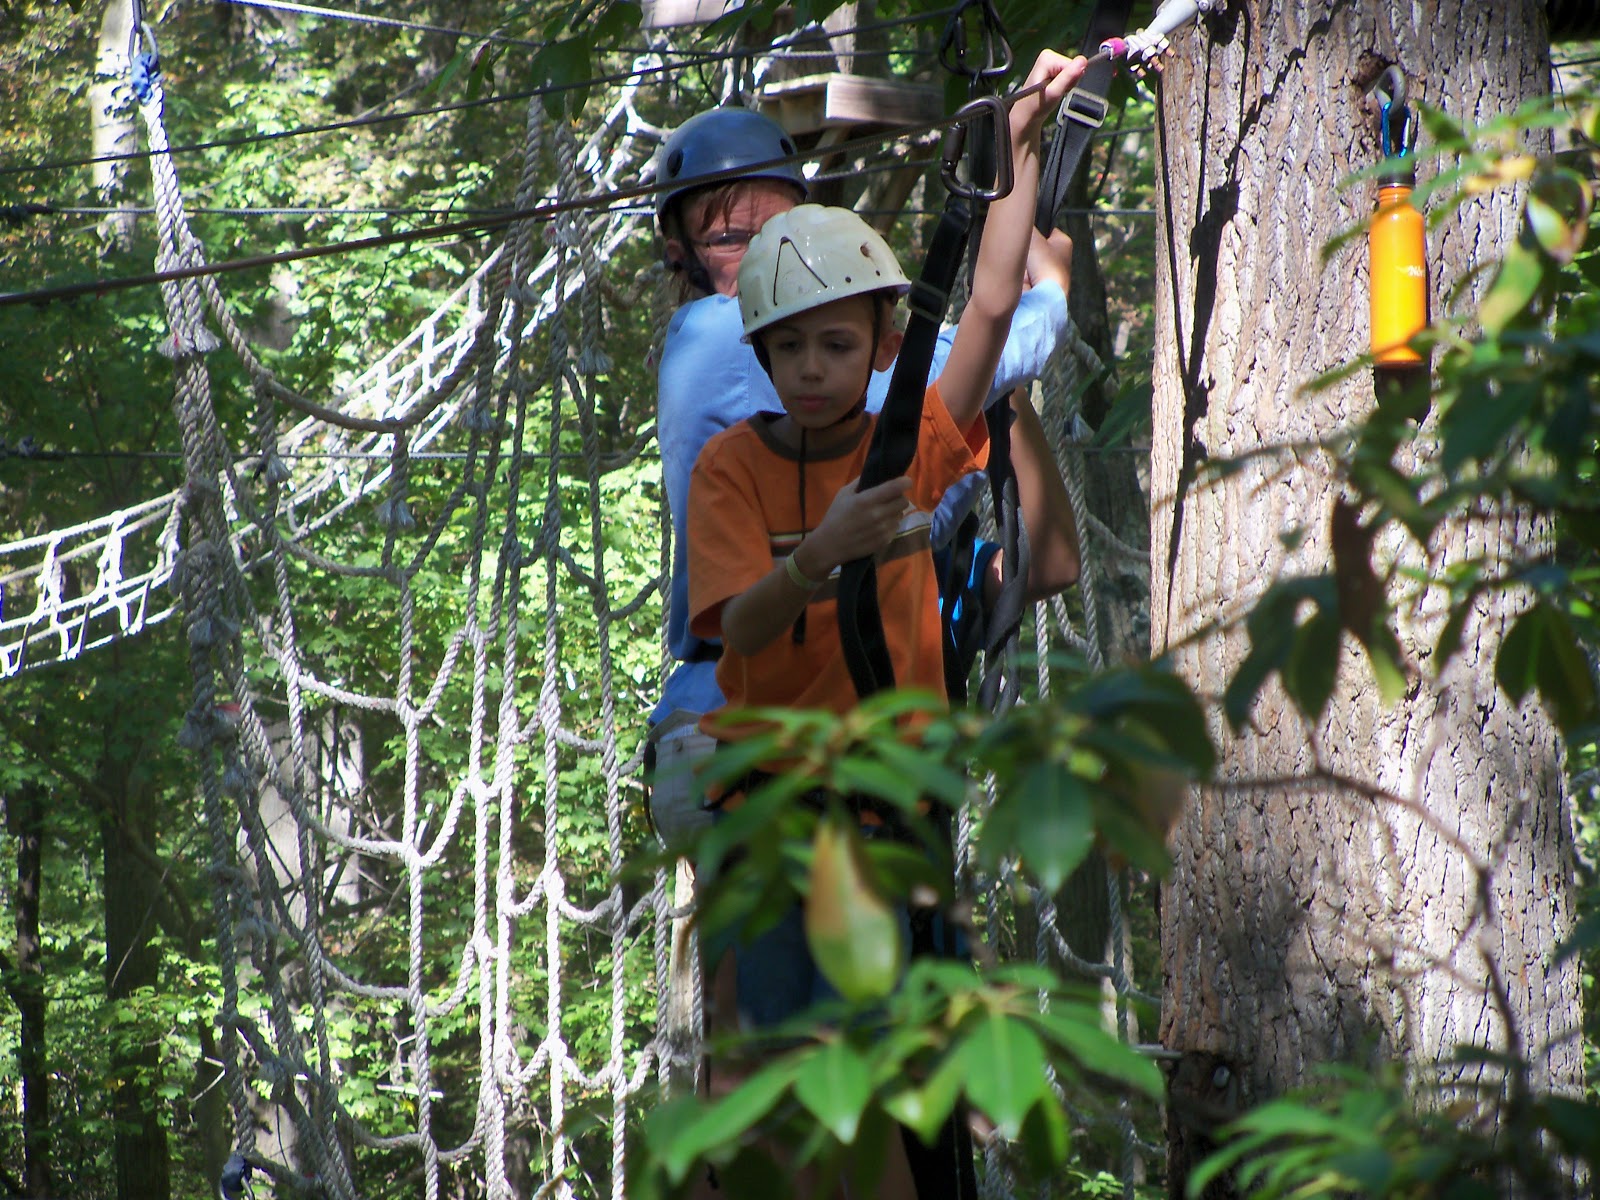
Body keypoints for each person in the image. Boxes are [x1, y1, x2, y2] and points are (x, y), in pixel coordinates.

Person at [684, 49, 1087, 1197]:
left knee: (898, 1111)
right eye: (793, 348)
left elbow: (993, 300)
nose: (814, 369)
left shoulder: (906, 447)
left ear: (873, 348)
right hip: (770, 817)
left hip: (888, 822)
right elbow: (741, 629)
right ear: (764, 355)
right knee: (766, 1098)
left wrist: (1008, 148)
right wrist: (820, 555)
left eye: (839, 345)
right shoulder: (733, 469)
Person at [647, 107, 1080, 846]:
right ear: (681, 252)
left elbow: (986, 316)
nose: (773, 256)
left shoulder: (904, 465)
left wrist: (1017, 142)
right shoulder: (716, 339)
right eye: (734, 238)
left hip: (869, 763)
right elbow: (981, 345)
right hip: (749, 740)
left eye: (783, 226)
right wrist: (1053, 294)